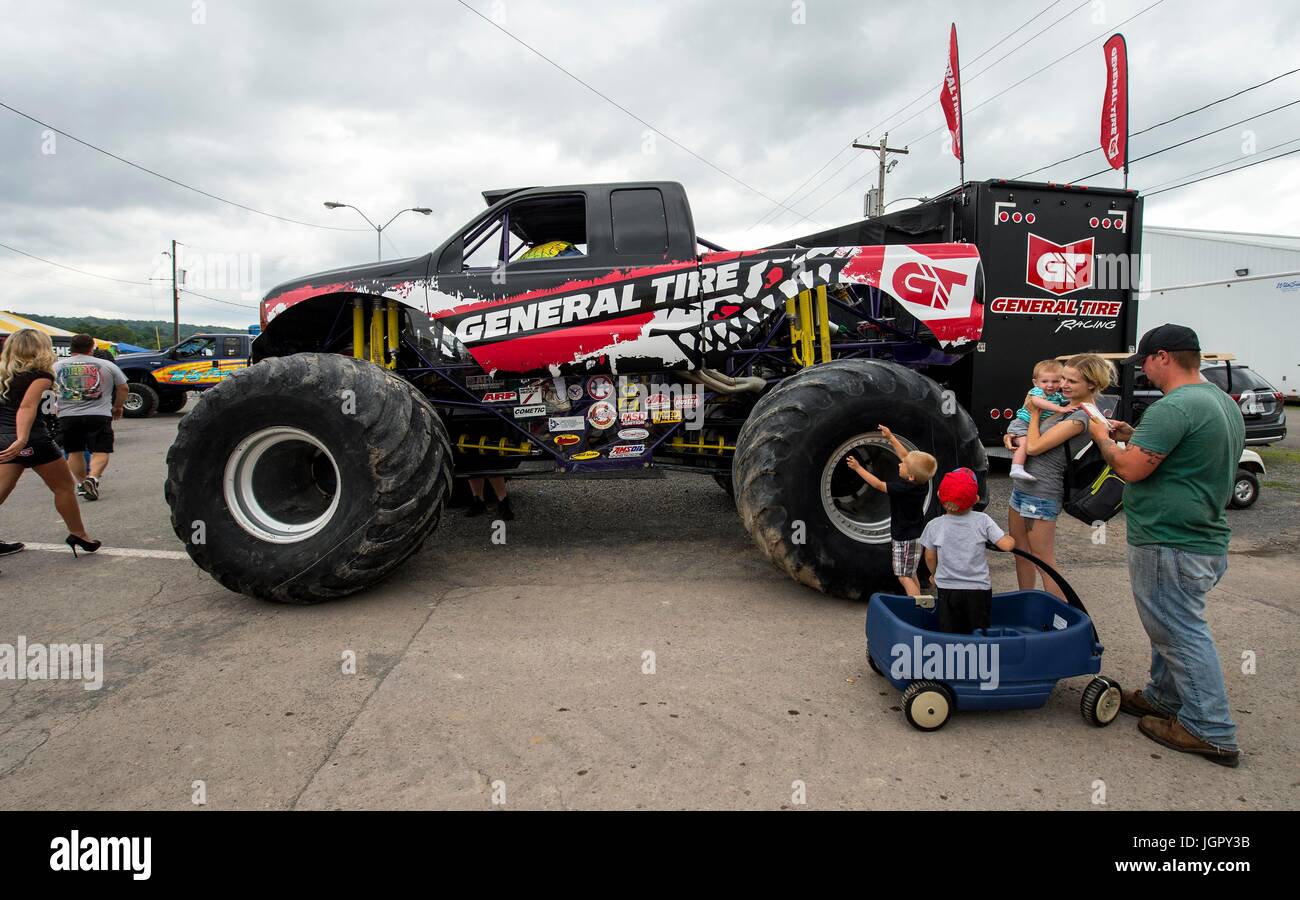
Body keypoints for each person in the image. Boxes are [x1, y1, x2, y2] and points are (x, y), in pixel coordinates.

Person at [1089, 324, 1244, 767]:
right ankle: (1164, 698)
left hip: (1170, 540)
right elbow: (1185, 454)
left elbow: (1131, 470)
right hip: (1202, 537)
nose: (1145, 373)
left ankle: (1209, 729)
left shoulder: (1174, 407)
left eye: (1146, 364)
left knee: (1177, 632)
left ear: (1163, 357)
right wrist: (1131, 433)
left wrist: (1104, 438)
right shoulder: (1217, 401)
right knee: (1169, 626)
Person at [1006, 353, 1113, 601]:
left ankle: (1060, 617)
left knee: (1044, 561)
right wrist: (1010, 437)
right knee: (1021, 553)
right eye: (1063, 378)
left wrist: (1032, 413)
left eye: (1071, 381)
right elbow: (1027, 438)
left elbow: (1033, 447)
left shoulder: (1081, 417)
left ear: (1092, 385)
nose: (1063, 384)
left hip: (1042, 493)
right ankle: (1027, 607)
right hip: (1022, 487)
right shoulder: (1064, 406)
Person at [0, 329, 101, 559]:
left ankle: (80, 534)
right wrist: (22, 438)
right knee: (64, 487)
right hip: (32, 439)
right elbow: (26, 407)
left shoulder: (3, 376)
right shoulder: (40, 376)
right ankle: (79, 534)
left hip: (4, 439)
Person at [919, 468, 1016, 633]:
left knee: (950, 632)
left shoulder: (934, 525)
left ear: (939, 496)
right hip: (978, 590)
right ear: (976, 499)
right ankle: (977, 657)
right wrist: (1012, 538)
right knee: (978, 632)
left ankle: (953, 657)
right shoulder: (983, 521)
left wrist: (934, 574)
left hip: (947, 588)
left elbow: (929, 557)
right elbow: (1006, 545)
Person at [844, 425, 937, 596]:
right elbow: (905, 455)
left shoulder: (902, 489)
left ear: (910, 477)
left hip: (904, 539)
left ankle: (916, 606)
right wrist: (891, 437)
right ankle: (921, 602)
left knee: (903, 576)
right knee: (910, 572)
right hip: (915, 536)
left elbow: (878, 484)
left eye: (903, 465)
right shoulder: (921, 483)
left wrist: (858, 468)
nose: (900, 463)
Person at [53, 333, 128, 501]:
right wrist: (118, 406)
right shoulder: (107, 365)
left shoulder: (57, 366)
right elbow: (124, 388)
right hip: (99, 414)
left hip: (68, 415)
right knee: (101, 450)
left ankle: (82, 483)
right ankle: (92, 478)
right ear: (92, 347)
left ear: (71, 347)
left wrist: (54, 408)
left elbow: (48, 390)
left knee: (74, 452)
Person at [1007, 359, 1070, 482]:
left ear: (1061, 381)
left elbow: (1067, 403)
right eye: (1045, 381)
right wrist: (1059, 409)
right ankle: (1016, 468)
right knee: (1024, 444)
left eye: (1055, 381)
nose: (1050, 385)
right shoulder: (1037, 392)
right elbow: (1036, 401)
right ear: (1035, 382)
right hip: (1022, 424)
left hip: (1032, 425)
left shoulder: (1057, 396)